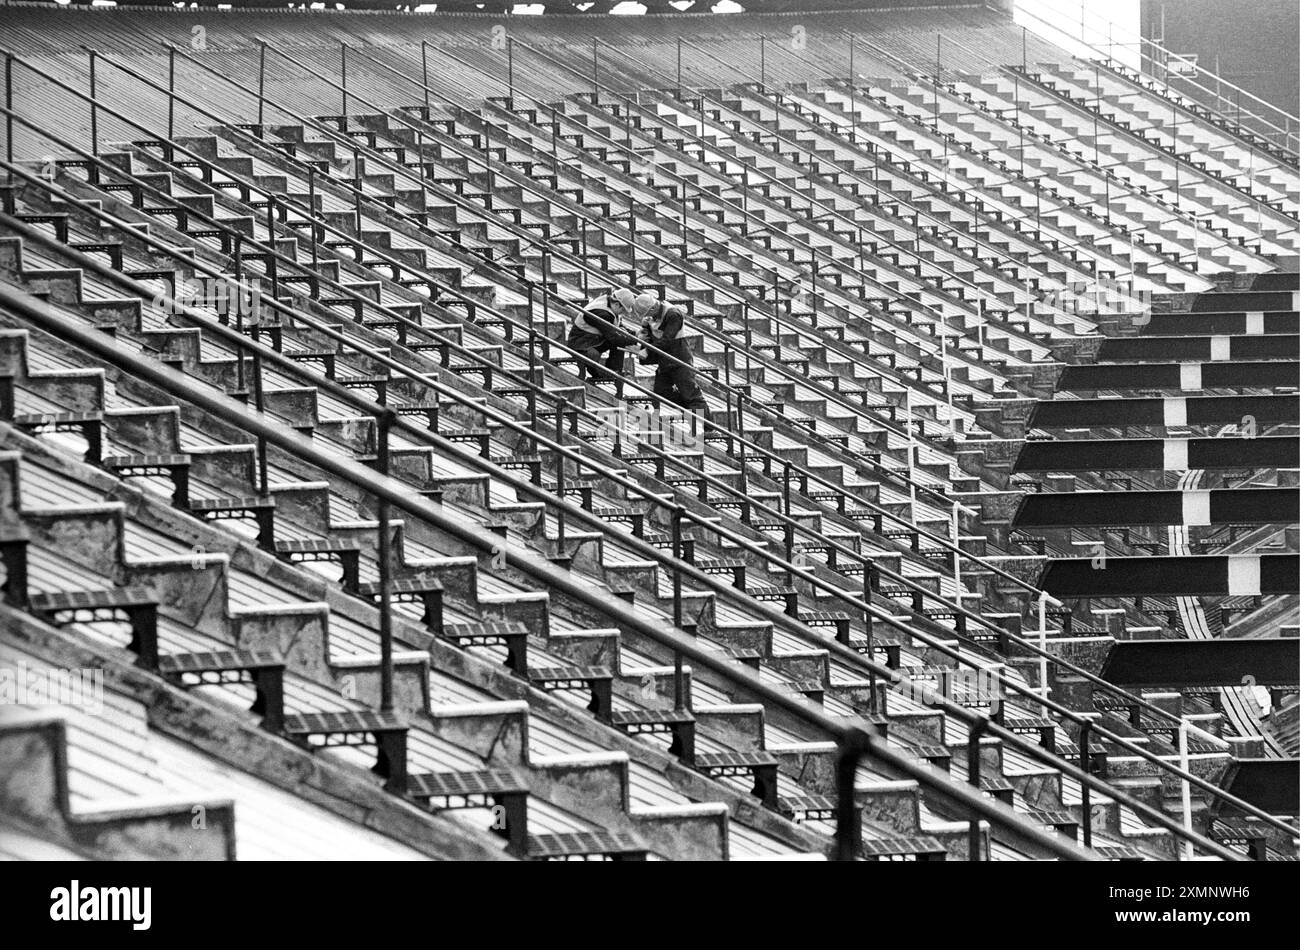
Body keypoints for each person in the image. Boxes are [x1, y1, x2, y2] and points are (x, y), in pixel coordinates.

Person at [631, 292, 709, 426]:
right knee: (662, 392)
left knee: (691, 395)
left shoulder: (673, 314)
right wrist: (642, 336)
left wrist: (648, 350)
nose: (649, 318)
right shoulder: (653, 318)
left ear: (653, 308)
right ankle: (691, 411)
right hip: (665, 361)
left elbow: (667, 340)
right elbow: (652, 336)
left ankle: (709, 428)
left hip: (679, 360)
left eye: (649, 314)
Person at [568, 287, 641, 383]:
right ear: (617, 304)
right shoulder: (602, 314)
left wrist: (635, 334)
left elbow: (618, 327)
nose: (623, 313)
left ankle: (614, 371)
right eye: (623, 310)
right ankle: (611, 372)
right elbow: (614, 337)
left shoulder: (608, 303)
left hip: (589, 340)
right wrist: (636, 339)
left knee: (622, 338)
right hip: (581, 345)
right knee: (619, 340)